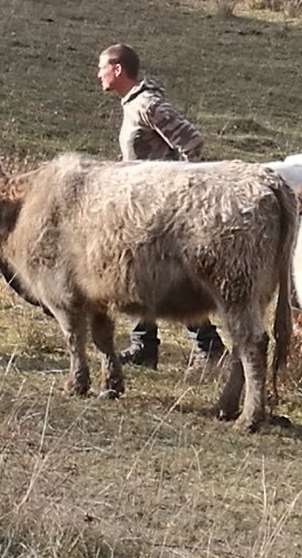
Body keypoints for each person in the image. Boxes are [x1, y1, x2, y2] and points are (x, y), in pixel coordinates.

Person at [96, 43, 225, 370]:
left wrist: (179, 189)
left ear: (118, 70)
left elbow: (191, 142)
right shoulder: (133, 104)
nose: (98, 74)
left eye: (102, 67)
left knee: (169, 278)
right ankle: (145, 346)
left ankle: (208, 348)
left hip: (162, 212)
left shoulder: (147, 104)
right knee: (141, 277)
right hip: (142, 209)